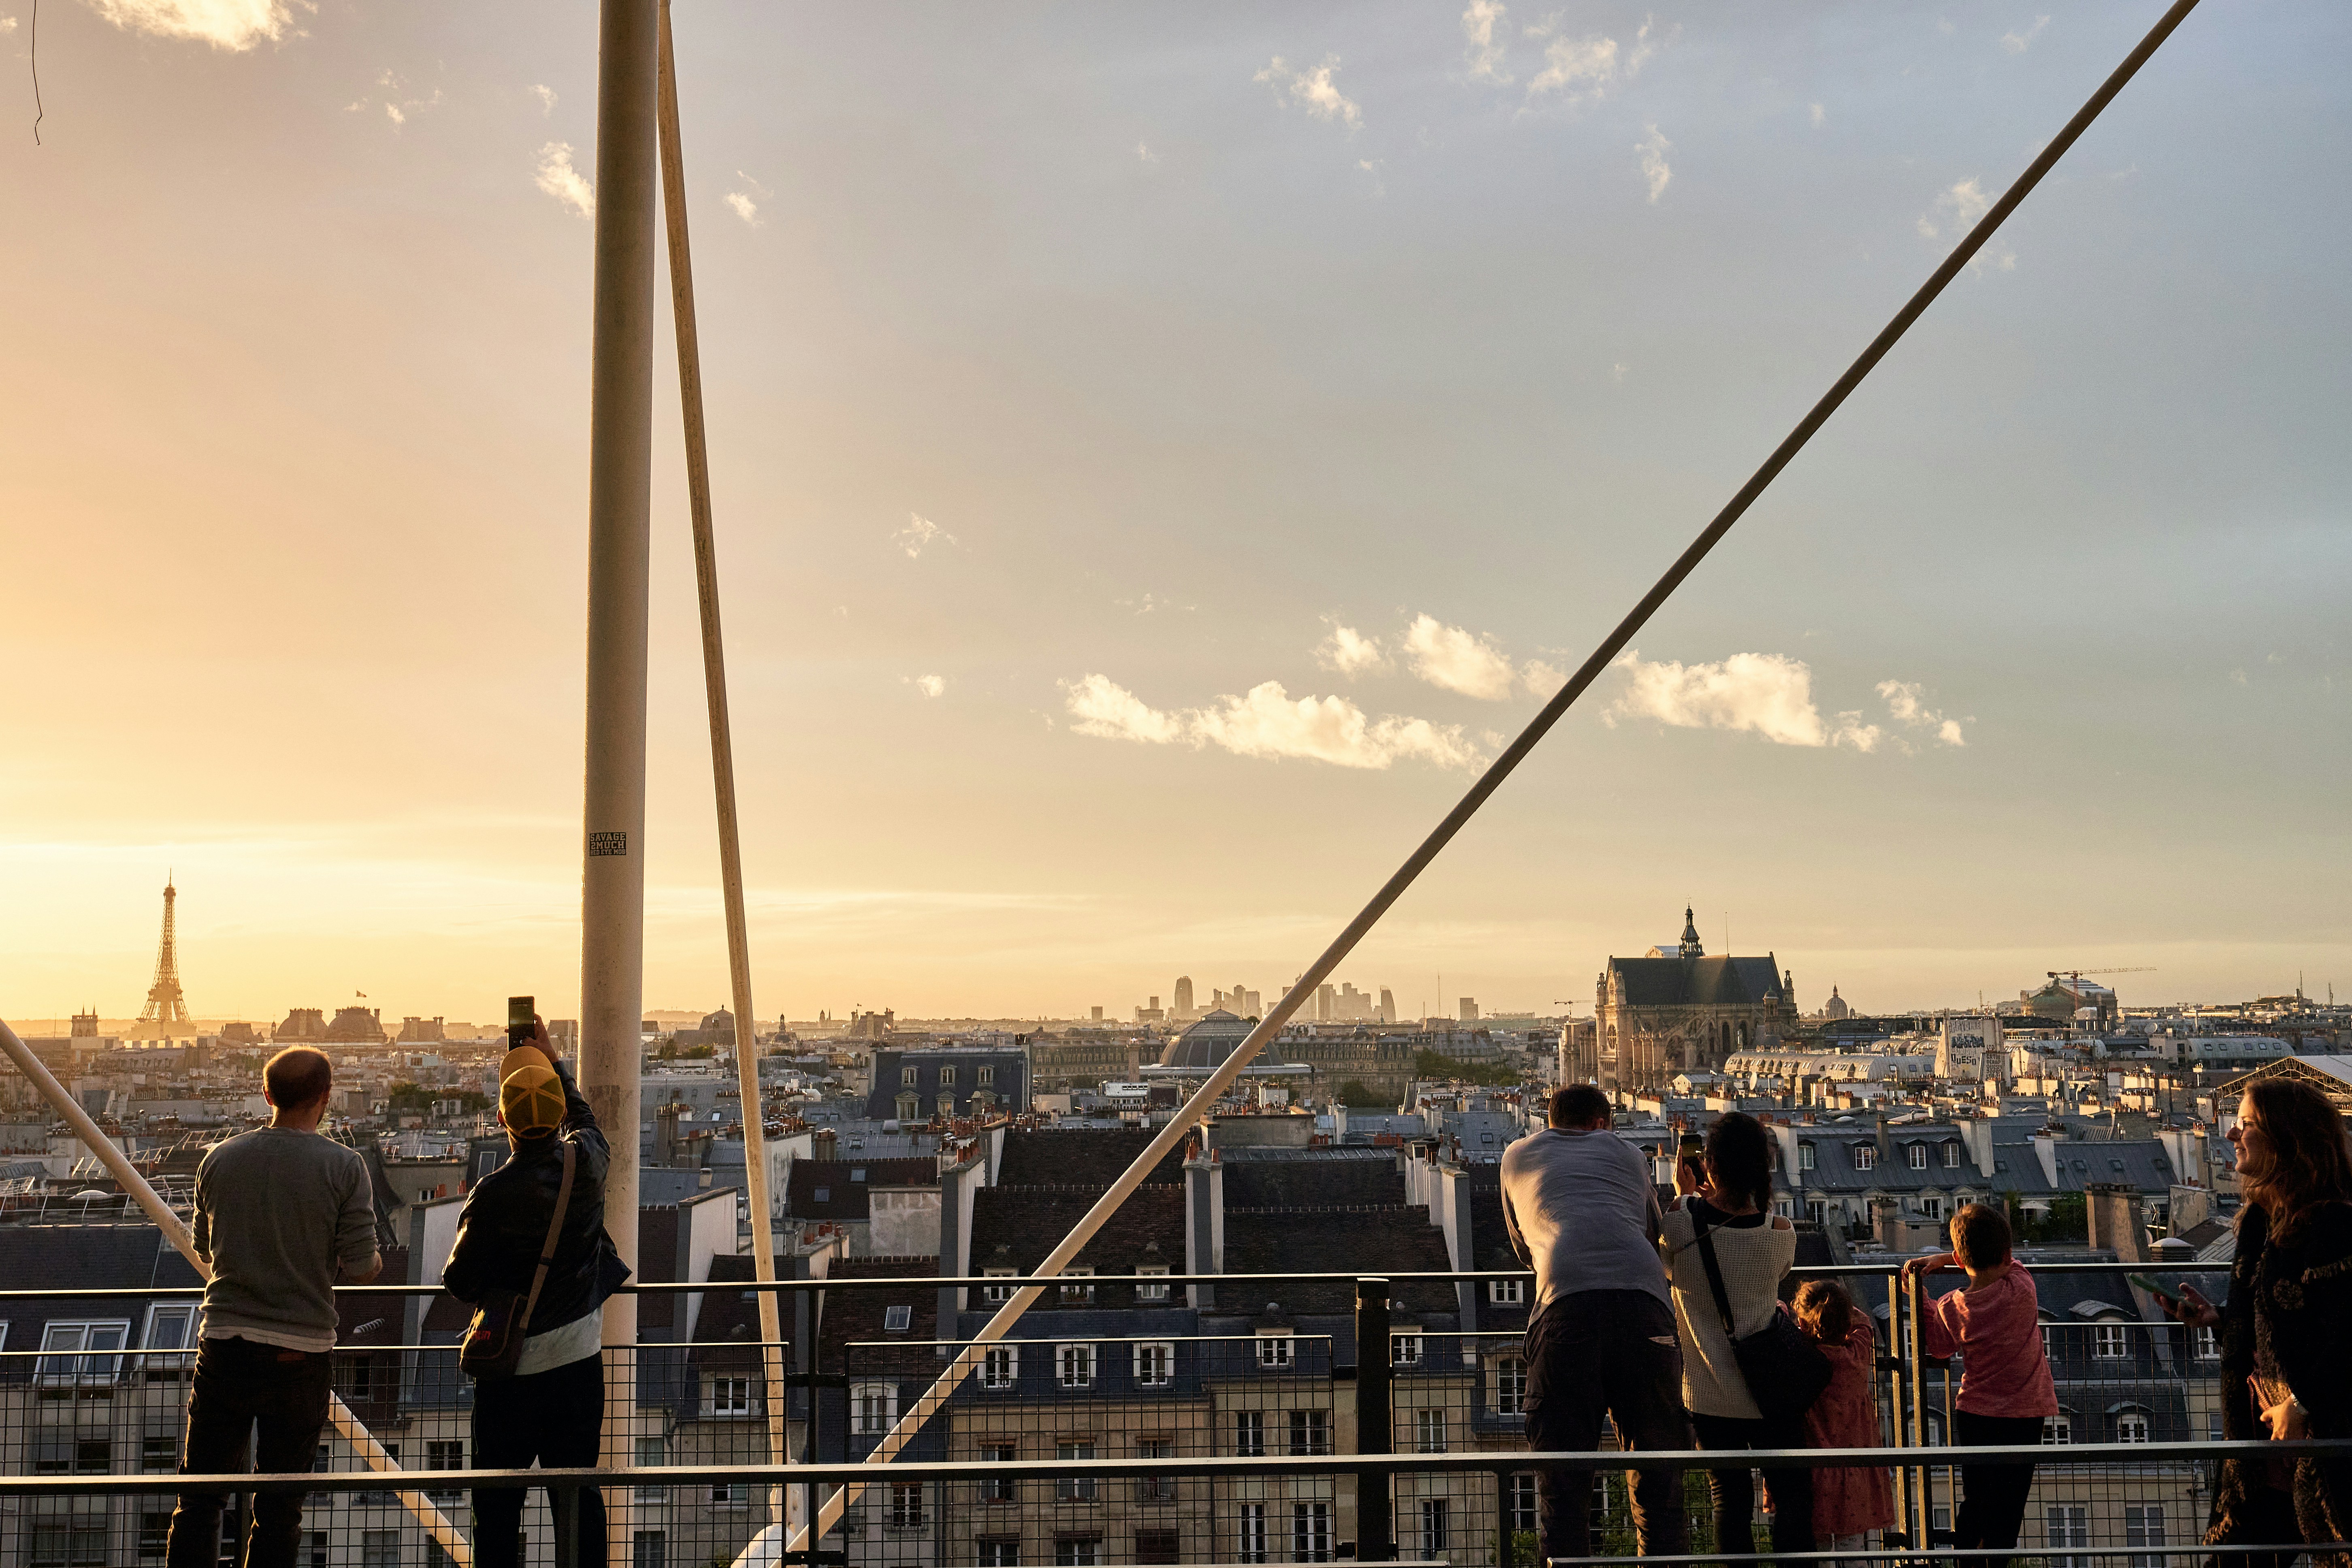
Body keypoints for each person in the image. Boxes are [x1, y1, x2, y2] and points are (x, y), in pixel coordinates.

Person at [166, 1046, 381, 1568]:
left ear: (267, 1095)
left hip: (224, 1342)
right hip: (300, 1350)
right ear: (326, 1098)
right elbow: (362, 1267)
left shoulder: (219, 1157)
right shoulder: (344, 1166)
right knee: (280, 1509)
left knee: (201, 1497)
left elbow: (205, 1247)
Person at [443, 1017, 631, 1568]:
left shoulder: (493, 1193)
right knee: (577, 1495)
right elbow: (587, 1121)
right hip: (578, 1362)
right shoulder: (587, 1163)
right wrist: (555, 1064)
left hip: (511, 1371)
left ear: (502, 1118)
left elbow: (460, 1280)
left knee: (498, 1505)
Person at [2162, 1079, 2352, 1568]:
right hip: (2266, 1442)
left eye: (2246, 1124)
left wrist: (2302, 1402)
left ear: (2287, 1138)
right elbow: (2280, 1326)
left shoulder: (2335, 1225)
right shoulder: (2259, 1218)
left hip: (2319, 1440)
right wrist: (2219, 1319)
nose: (2230, 1133)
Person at [1502, 1083, 1690, 1565]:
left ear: (1550, 1121)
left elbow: (1524, 1246)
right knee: (1659, 1483)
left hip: (1564, 1307)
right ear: (1603, 1123)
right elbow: (1652, 1235)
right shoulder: (1628, 1154)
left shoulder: (1516, 1156)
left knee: (1563, 1492)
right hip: (1644, 1305)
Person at [1659, 1112, 1809, 1563]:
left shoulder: (1680, 1224)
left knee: (1730, 1499)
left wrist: (1683, 1196)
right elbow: (1776, 1273)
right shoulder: (1779, 1233)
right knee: (1793, 1497)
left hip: (1707, 1394)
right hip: (1769, 1388)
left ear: (1709, 1164)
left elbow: (1668, 1261)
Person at [1900, 1203, 2056, 1568]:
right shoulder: (2022, 1288)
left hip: (1976, 1412)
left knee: (1976, 1499)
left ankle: (1966, 1560)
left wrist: (1921, 1298)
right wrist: (1946, 1259)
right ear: (2007, 1254)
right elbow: (2009, 1263)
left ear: (1959, 1257)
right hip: (2026, 1413)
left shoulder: (1952, 1307)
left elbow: (1939, 1347)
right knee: (2010, 1503)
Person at [1794, 1279, 1894, 1567]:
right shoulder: (1858, 1354)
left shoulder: (1803, 1360)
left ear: (1804, 1323)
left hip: (1815, 1471)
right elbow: (1864, 1324)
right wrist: (1836, 1303)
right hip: (1854, 1471)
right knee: (1854, 1551)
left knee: (1819, 1551)